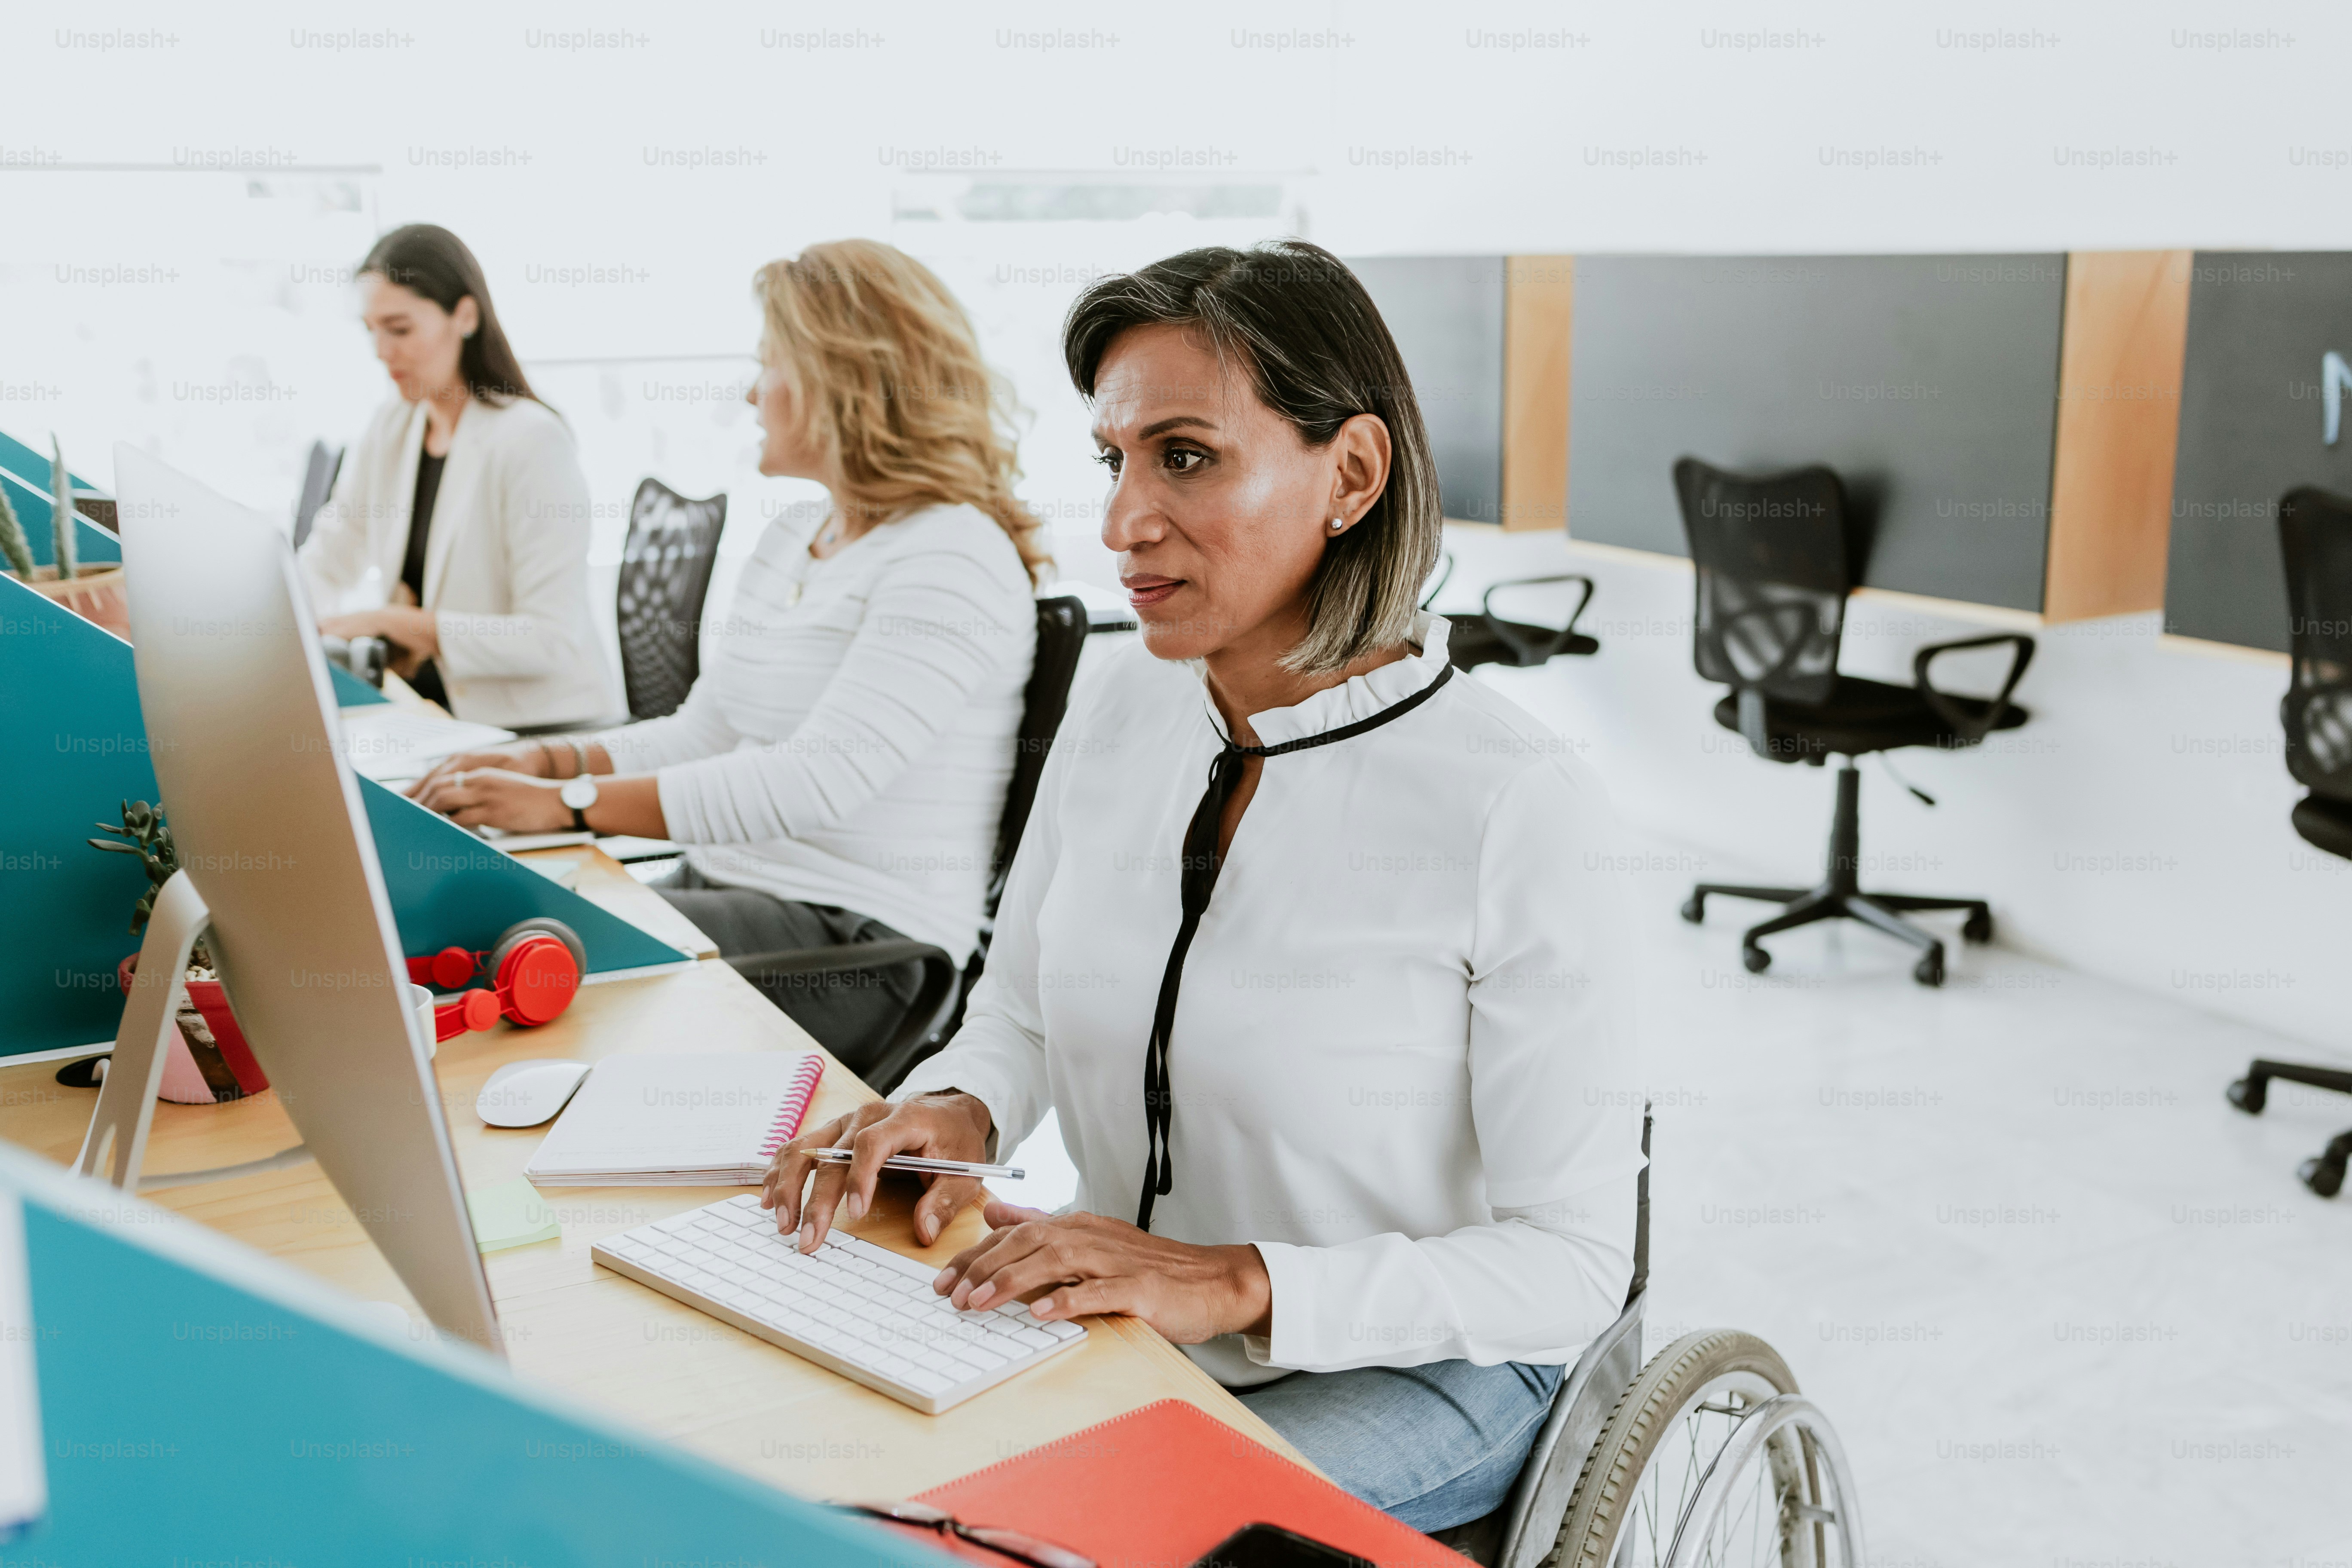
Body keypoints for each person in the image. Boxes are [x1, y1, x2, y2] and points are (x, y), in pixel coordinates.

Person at [760, 241, 1646, 1533]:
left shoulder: (1517, 804)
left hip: (1416, 1367)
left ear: (1352, 474)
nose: (1122, 521)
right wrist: (959, 1105)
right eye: (1112, 460)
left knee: (1080, 1532)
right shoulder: (1121, 700)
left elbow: (1569, 1264)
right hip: (1136, 1322)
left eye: (1184, 456)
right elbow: (1023, 1012)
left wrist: (1231, 1280)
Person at [407, 240, 1047, 1067]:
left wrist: (565, 800)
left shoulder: (952, 554)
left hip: (857, 944)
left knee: (519, 954)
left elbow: (812, 780)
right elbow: (701, 732)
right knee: (476, 922)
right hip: (733, 893)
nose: (751, 392)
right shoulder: (795, 536)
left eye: (768, 363)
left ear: (844, 379)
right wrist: (543, 760)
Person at [303, 224, 615, 731]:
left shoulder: (531, 440)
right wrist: (283, 622)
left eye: (400, 329)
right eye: (372, 330)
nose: (382, 351)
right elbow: (333, 553)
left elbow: (550, 640)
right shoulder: (393, 426)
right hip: (435, 712)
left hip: (538, 726)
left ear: (465, 316)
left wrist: (396, 623)